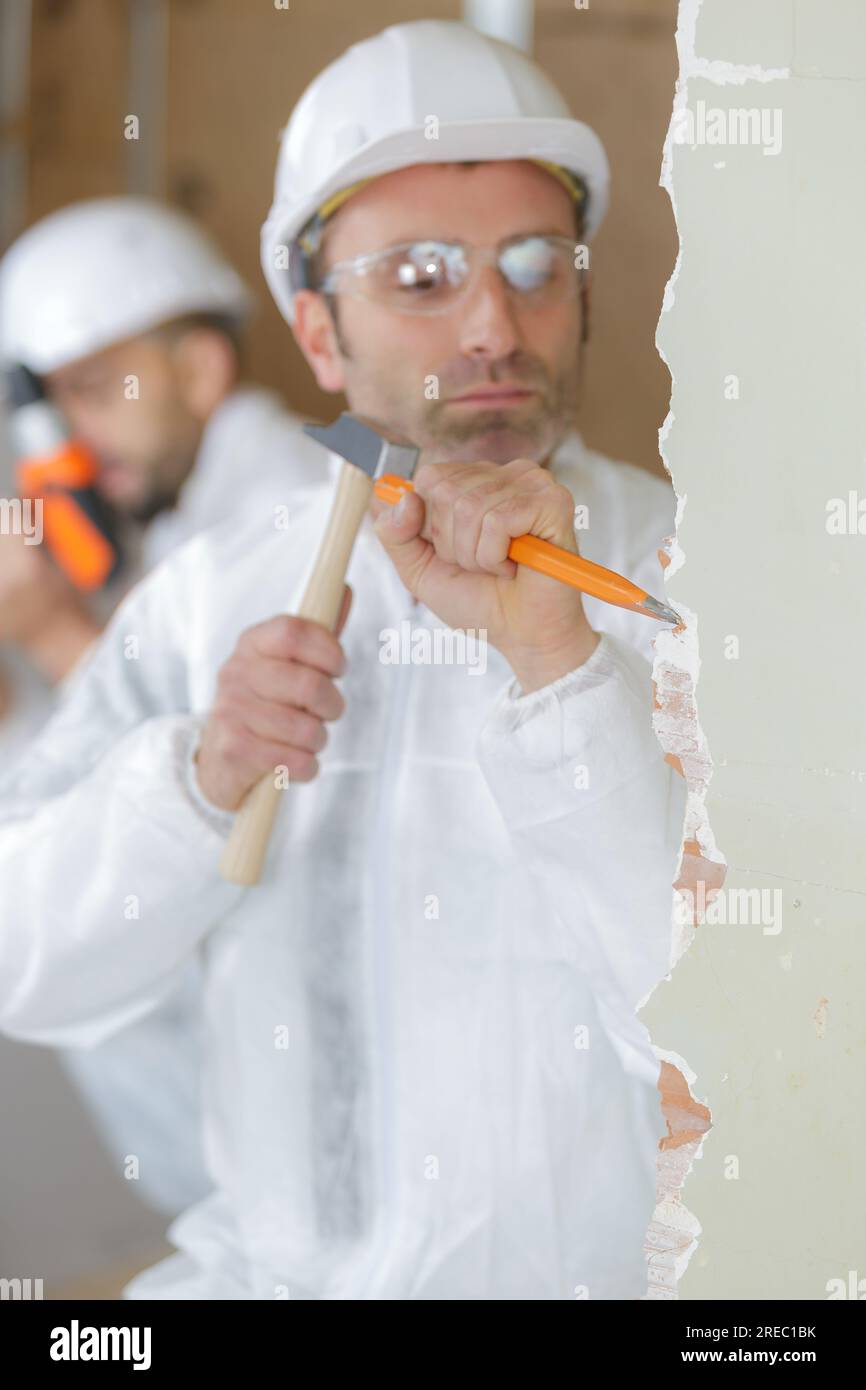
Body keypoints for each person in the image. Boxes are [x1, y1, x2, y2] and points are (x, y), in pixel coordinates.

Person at [0, 20, 686, 1299]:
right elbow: (23, 957)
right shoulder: (216, 603)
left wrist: (563, 671)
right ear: (316, 334)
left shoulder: (704, 585)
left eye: (535, 263)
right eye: (419, 275)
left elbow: (767, 1028)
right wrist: (195, 785)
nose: (493, 322)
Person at [0, 197, 328, 1217]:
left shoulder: (287, 519)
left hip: (312, 1121)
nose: (74, 445)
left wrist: (51, 626)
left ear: (197, 371)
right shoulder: (165, 517)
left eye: (98, 391)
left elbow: (210, 789)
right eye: (55, 407)